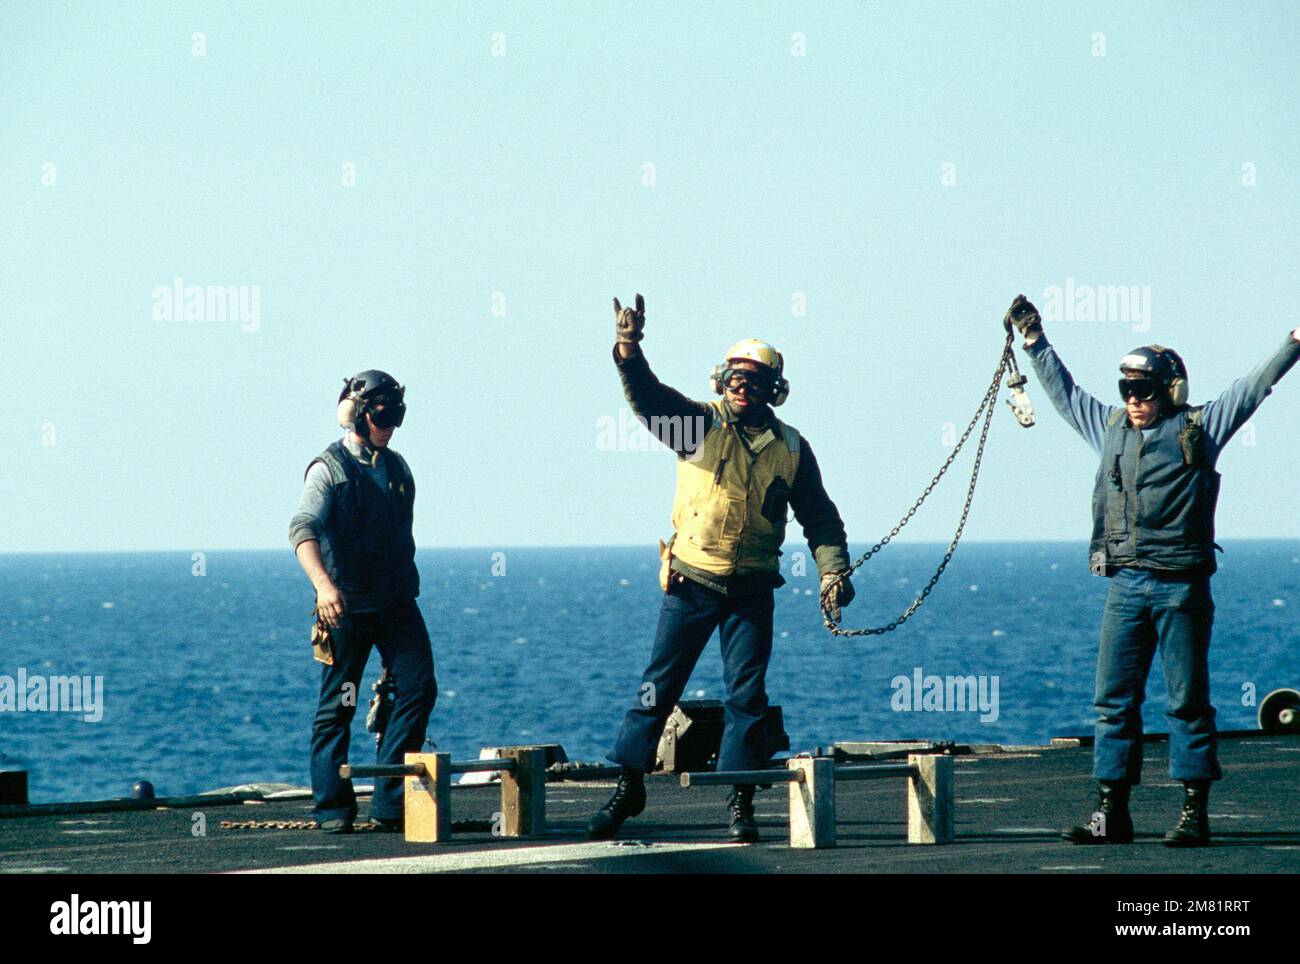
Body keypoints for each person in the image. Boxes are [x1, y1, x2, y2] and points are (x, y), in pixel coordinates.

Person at [1006, 294, 1300, 847]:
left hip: (1181, 586)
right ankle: (1110, 813)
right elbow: (1065, 394)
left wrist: (1294, 342)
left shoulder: (1200, 428)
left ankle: (1194, 813)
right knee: (1113, 702)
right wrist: (1034, 340)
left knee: (1186, 702)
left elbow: (1253, 387)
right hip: (1126, 584)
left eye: (1143, 390)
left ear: (1171, 390)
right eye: (1126, 389)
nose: (1133, 399)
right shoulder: (1111, 428)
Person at [589, 293, 856, 843]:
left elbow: (821, 518)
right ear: (722, 380)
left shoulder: (792, 449)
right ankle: (628, 783)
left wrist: (833, 570)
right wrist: (628, 345)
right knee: (656, 688)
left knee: (746, 698)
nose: (742, 386)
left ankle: (740, 800)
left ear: (772, 391)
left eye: (754, 381)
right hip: (691, 581)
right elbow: (646, 399)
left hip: (753, 590)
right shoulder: (697, 427)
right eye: (736, 377)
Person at [289, 370, 437, 834]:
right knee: (339, 706)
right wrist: (324, 588)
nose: (390, 426)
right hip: (346, 608)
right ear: (358, 415)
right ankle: (332, 807)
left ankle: (391, 801)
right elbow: (302, 529)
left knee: (417, 688)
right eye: (383, 416)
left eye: (397, 416)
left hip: (395, 603)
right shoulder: (328, 470)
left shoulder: (398, 469)